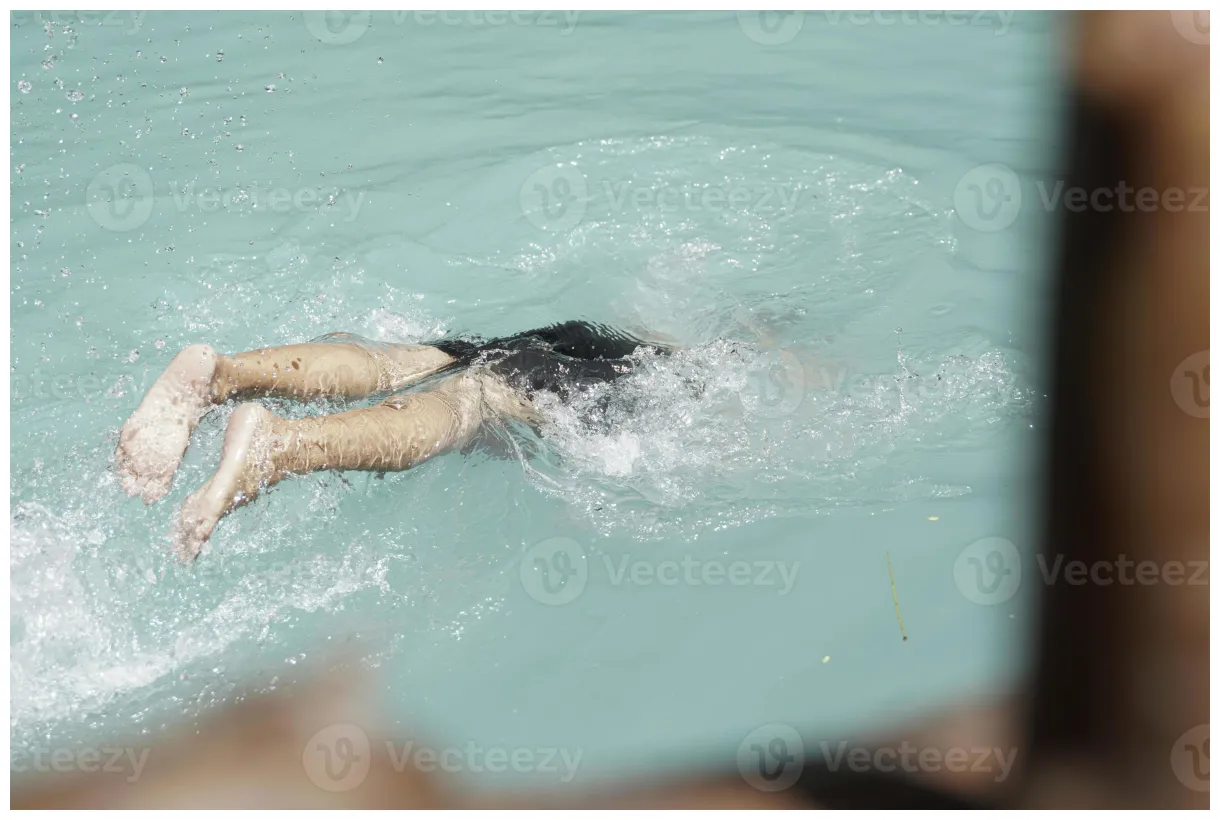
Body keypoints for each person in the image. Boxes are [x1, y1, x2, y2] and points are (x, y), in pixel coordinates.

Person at [114, 322, 668, 560]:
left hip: (577, 337)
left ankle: (223, 376)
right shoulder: (705, 378)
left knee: (408, 362)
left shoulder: (662, 343)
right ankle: (279, 448)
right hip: (603, 381)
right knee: (473, 398)